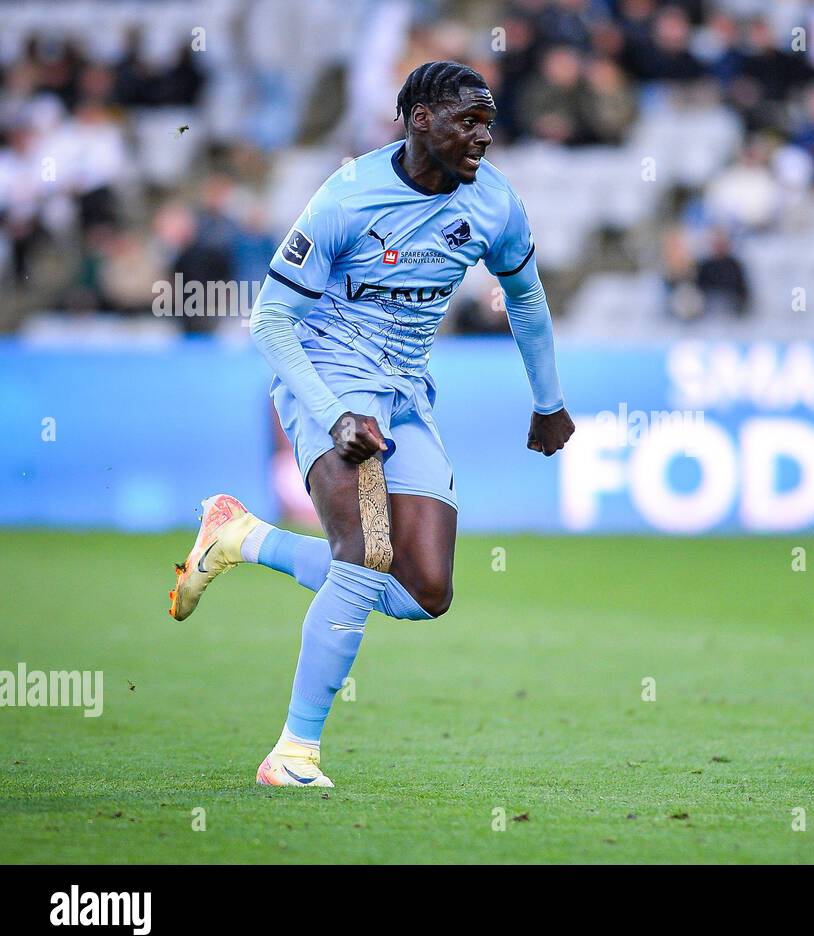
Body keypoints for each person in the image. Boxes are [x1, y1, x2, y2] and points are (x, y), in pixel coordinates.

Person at [167, 62, 575, 786]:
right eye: (467, 122)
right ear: (421, 120)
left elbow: (528, 301)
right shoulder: (347, 198)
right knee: (360, 552)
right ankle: (293, 752)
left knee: (425, 592)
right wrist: (332, 413)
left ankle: (242, 537)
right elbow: (269, 321)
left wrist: (548, 400)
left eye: (488, 123)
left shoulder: (495, 203)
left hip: (406, 392)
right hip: (327, 377)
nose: (483, 136)